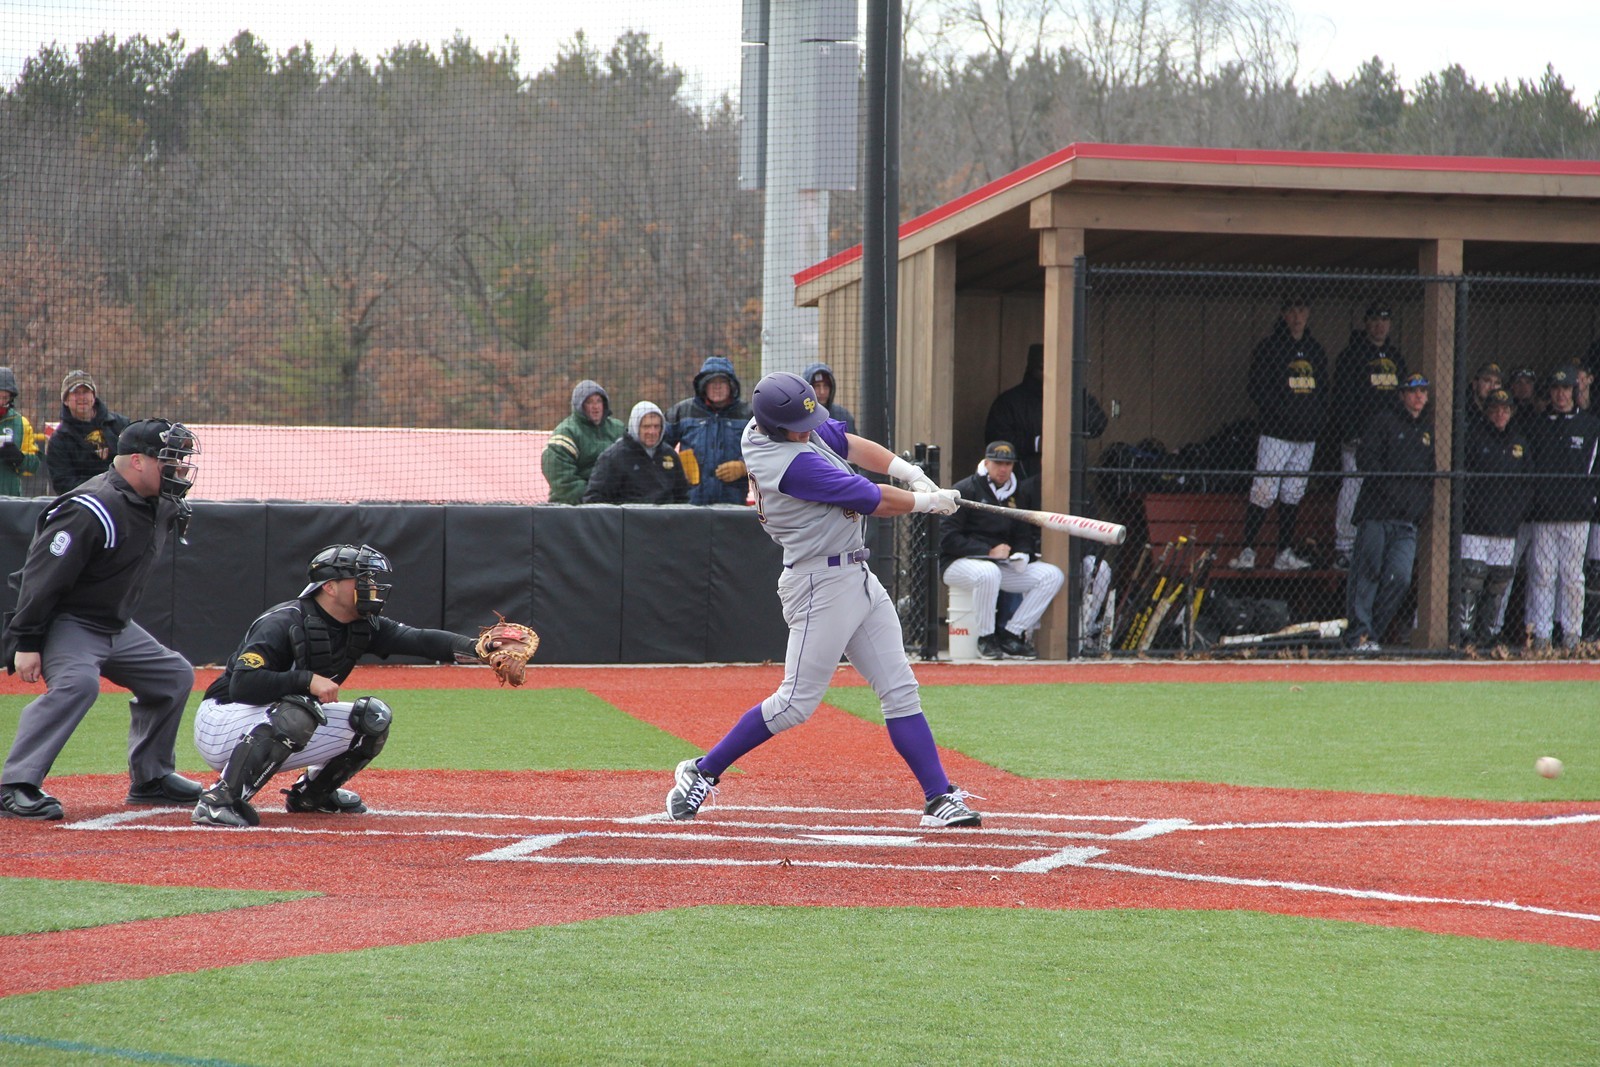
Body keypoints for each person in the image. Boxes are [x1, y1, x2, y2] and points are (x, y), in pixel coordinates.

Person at [664, 371, 982, 830]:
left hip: (856, 573)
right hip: (819, 584)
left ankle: (938, 796)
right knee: (795, 703)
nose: (806, 429)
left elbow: (849, 443)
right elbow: (872, 498)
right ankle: (702, 771)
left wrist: (911, 473)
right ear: (776, 426)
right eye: (798, 425)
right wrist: (927, 503)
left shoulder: (787, 427)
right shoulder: (789, 466)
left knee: (899, 689)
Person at [190, 544, 506, 827]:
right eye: (362, 580)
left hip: (273, 720)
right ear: (330, 586)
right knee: (299, 710)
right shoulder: (284, 621)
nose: (372, 587)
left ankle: (312, 795)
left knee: (372, 718)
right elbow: (243, 686)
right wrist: (306, 680)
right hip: (222, 721)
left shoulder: (359, 624)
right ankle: (220, 801)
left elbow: (419, 639)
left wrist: (482, 648)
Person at [0, 420, 203, 820]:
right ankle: (15, 784)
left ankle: (151, 778)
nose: (179, 470)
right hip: (68, 621)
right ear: (138, 462)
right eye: (171, 461)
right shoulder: (90, 507)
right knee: (78, 684)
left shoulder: (158, 502)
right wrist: (25, 641)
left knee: (173, 676)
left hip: (114, 623)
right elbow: (41, 579)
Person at [938, 440, 1064, 659]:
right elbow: (947, 539)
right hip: (956, 564)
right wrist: (987, 551)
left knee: (1052, 575)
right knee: (988, 573)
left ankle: (1010, 635)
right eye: (998, 463)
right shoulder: (965, 489)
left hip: (999, 564)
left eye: (1008, 464)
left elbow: (1023, 534)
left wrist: (1022, 554)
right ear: (986, 463)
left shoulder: (1017, 494)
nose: (1003, 469)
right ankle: (986, 638)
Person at [1231, 293, 1327, 571]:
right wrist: (1284, 414)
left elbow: (1323, 392)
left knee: (1293, 492)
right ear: (1284, 314)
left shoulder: (1315, 350)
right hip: (1276, 435)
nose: (1298, 317)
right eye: (1292, 310)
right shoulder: (1270, 347)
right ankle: (1248, 550)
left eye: (1302, 309)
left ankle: (1283, 552)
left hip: (1306, 437)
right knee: (1264, 490)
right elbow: (1257, 388)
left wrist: (1314, 421)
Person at [1343, 374, 1436, 651]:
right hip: (1377, 514)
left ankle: (1372, 634)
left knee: (1401, 577)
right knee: (1367, 572)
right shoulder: (1383, 420)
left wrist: (1417, 506)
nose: (1418, 396)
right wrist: (1389, 489)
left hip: (1407, 522)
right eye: (1413, 391)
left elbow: (1430, 474)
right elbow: (1365, 459)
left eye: (1423, 392)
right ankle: (1358, 634)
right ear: (1402, 395)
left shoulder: (1427, 432)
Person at [1522, 367, 1600, 651]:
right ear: (1550, 392)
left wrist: (1589, 500)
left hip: (1578, 514)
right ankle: (1541, 634)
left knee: (1572, 575)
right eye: (1556, 389)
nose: (1561, 395)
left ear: (1574, 392)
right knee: (1542, 572)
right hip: (1544, 513)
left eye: (1566, 389)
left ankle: (1571, 634)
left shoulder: (1590, 426)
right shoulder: (1536, 425)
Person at [1328, 302, 1405, 570]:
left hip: (1389, 442)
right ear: (1365, 323)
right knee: (1353, 488)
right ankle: (1344, 548)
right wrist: (1350, 431)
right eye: (1374, 320)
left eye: (1384, 320)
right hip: (1360, 439)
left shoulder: (1396, 358)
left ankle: (1378, 549)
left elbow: (1403, 401)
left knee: (1385, 493)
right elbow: (1341, 398)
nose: (1380, 325)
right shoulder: (1352, 356)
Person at [1458, 389, 1532, 646]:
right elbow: (1463, 480)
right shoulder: (1473, 438)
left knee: (1498, 580)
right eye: (1496, 409)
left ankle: (1488, 632)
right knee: (1471, 579)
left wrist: (1515, 513)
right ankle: (1465, 632)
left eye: (1506, 409)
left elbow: (1527, 485)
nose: (1501, 414)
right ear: (1487, 411)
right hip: (1475, 524)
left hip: (1506, 525)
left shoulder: (1519, 443)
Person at [983, 342, 1107, 483]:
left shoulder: (1074, 395)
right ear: (1033, 369)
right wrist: (1036, 443)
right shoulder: (1009, 401)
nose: (1050, 373)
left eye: (1056, 368)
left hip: (1067, 474)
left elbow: (1099, 424)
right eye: (1043, 368)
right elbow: (996, 439)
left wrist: (1072, 405)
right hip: (1023, 478)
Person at [665, 355, 752, 505]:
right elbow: (658, 447)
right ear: (703, 385)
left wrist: (744, 466)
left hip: (734, 505)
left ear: (731, 385)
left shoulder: (748, 414)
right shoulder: (682, 411)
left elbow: (767, 450)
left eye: (722, 382)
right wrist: (675, 467)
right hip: (691, 504)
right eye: (712, 382)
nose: (717, 387)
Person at [582, 401, 690, 504]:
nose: (652, 432)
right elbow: (593, 499)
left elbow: (682, 496)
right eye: (646, 426)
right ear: (635, 427)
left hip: (666, 521)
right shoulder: (614, 457)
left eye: (657, 426)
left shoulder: (669, 455)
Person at [541, 379, 624, 504]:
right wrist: (592, 498)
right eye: (590, 402)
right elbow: (561, 478)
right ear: (580, 406)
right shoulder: (567, 432)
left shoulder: (618, 429)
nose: (595, 407)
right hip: (573, 508)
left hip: (614, 506)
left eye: (599, 401)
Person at [46, 369, 129, 492]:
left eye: (85, 392)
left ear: (93, 396)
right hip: (85, 503)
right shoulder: (59, 440)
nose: (81, 397)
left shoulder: (120, 425)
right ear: (66, 400)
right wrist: (100, 490)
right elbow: (63, 484)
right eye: (75, 393)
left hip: (122, 497)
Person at [0, 367, 43, 496]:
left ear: (11, 398)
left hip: (9, 499)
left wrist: (19, 458)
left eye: (4, 397)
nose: (1, 402)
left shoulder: (20, 423)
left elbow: (34, 465)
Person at [802, 362, 857, 435]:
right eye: (817, 386)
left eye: (826, 386)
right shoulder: (800, 417)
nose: (822, 392)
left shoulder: (843, 416)